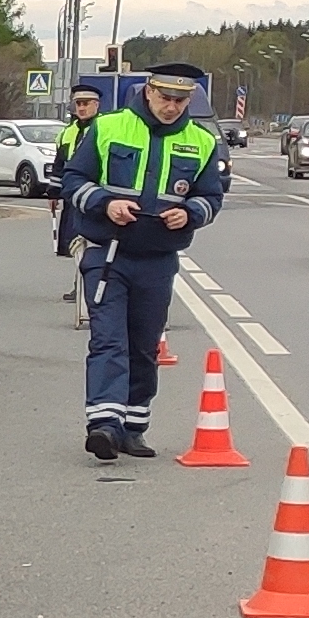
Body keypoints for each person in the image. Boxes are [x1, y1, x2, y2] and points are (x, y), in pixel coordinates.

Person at [62, 61, 225, 458]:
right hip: (108, 254)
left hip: (157, 258)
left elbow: (212, 196)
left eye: (180, 100)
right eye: (165, 97)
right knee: (108, 340)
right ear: (148, 91)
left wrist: (189, 213)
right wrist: (106, 203)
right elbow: (73, 181)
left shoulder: (200, 140)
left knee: (144, 346)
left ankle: (133, 427)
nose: (171, 106)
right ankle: (103, 425)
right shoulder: (109, 127)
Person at [46, 81, 106, 327]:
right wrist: (53, 193)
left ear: (96, 105)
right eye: (78, 104)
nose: (81, 108)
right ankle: (79, 285)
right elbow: (60, 166)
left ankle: (96, 285)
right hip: (73, 198)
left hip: (97, 196)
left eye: (86, 104)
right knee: (75, 243)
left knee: (96, 241)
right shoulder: (67, 132)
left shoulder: (105, 128)